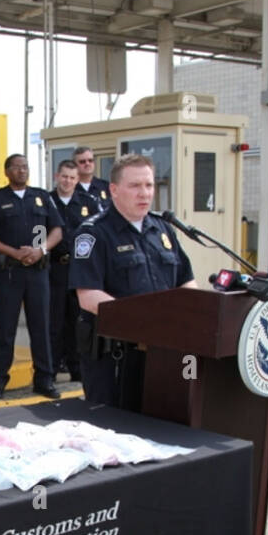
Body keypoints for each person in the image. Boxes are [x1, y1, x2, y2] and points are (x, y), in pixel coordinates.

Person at [69, 154, 197, 410]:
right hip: (114, 358)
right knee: (114, 431)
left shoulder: (163, 229)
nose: (145, 193)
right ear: (114, 190)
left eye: (149, 185)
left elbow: (187, 282)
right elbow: (89, 296)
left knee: (161, 424)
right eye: (135, 186)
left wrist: (185, 317)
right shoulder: (93, 233)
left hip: (163, 352)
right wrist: (145, 325)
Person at [0, 154, 63, 400]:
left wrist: (41, 250)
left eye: (25, 167)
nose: (22, 171)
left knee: (41, 328)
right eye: (17, 167)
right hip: (9, 273)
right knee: (6, 329)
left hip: (38, 271)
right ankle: (0, 381)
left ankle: (44, 380)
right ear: (7, 171)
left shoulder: (42, 197)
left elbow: (57, 229)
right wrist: (13, 252)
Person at [50, 159, 102, 382]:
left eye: (72, 178)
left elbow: (97, 232)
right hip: (54, 269)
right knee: (53, 322)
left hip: (79, 269)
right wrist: (39, 252)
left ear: (77, 179)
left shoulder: (88, 202)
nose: (67, 181)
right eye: (64, 176)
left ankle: (76, 368)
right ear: (56, 176)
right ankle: (50, 368)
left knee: (78, 321)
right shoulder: (46, 200)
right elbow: (38, 230)